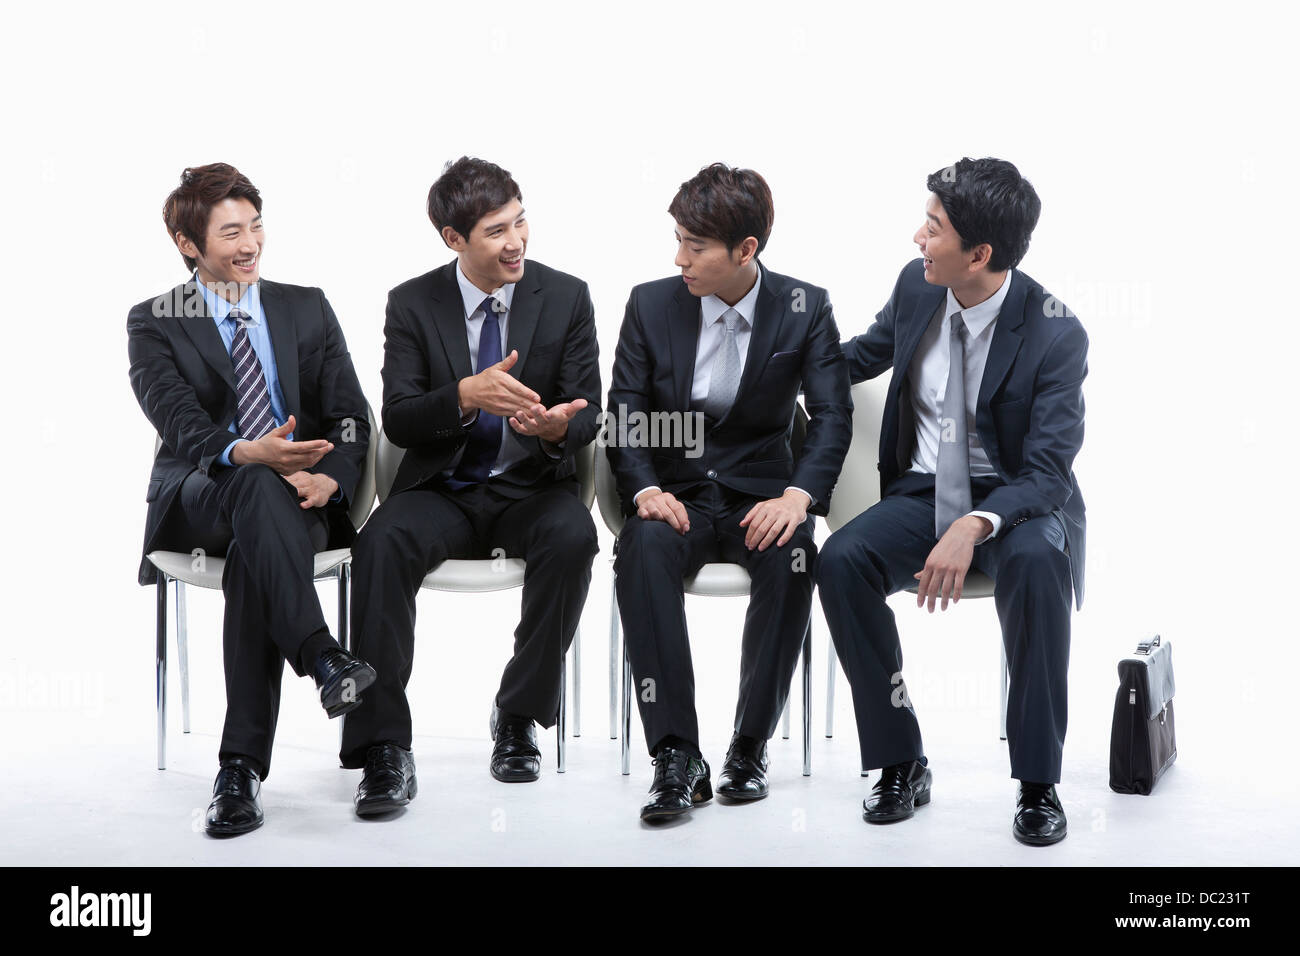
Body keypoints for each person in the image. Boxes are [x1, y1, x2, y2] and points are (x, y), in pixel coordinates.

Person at [818, 157, 1087, 846]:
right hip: (920, 490)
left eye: (932, 229)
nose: (917, 239)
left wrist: (974, 523)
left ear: (981, 253)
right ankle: (900, 759)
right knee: (841, 559)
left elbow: (1049, 471)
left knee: (1033, 567)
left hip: (1017, 503)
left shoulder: (1056, 332)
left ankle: (1037, 782)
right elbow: (862, 356)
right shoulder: (919, 286)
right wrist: (773, 367)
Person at [340, 157, 601, 814]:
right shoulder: (412, 302)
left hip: (532, 487)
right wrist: (463, 394)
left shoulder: (565, 295)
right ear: (454, 240)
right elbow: (397, 417)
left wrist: (550, 428)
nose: (515, 241)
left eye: (520, 221)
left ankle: (519, 715)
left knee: (575, 536)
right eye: (494, 231)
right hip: (442, 489)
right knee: (377, 545)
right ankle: (383, 748)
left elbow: (587, 410)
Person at [127, 163, 375, 837]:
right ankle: (322, 652)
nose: (250, 244)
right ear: (189, 243)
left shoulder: (305, 306)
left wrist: (335, 478)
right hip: (206, 496)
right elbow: (180, 424)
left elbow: (353, 418)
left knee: (253, 556)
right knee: (256, 486)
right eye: (231, 231)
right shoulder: (155, 321)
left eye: (256, 226)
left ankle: (238, 769)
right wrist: (248, 453)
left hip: (301, 503)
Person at [608, 163, 853, 822]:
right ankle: (676, 754)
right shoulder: (650, 302)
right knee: (641, 552)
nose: (679, 258)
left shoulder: (805, 307)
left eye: (696, 245)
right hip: (675, 493)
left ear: (746, 250)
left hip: (763, 495)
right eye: (678, 240)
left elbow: (832, 417)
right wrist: (644, 489)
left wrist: (800, 497)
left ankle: (749, 745)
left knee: (795, 555)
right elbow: (625, 412)